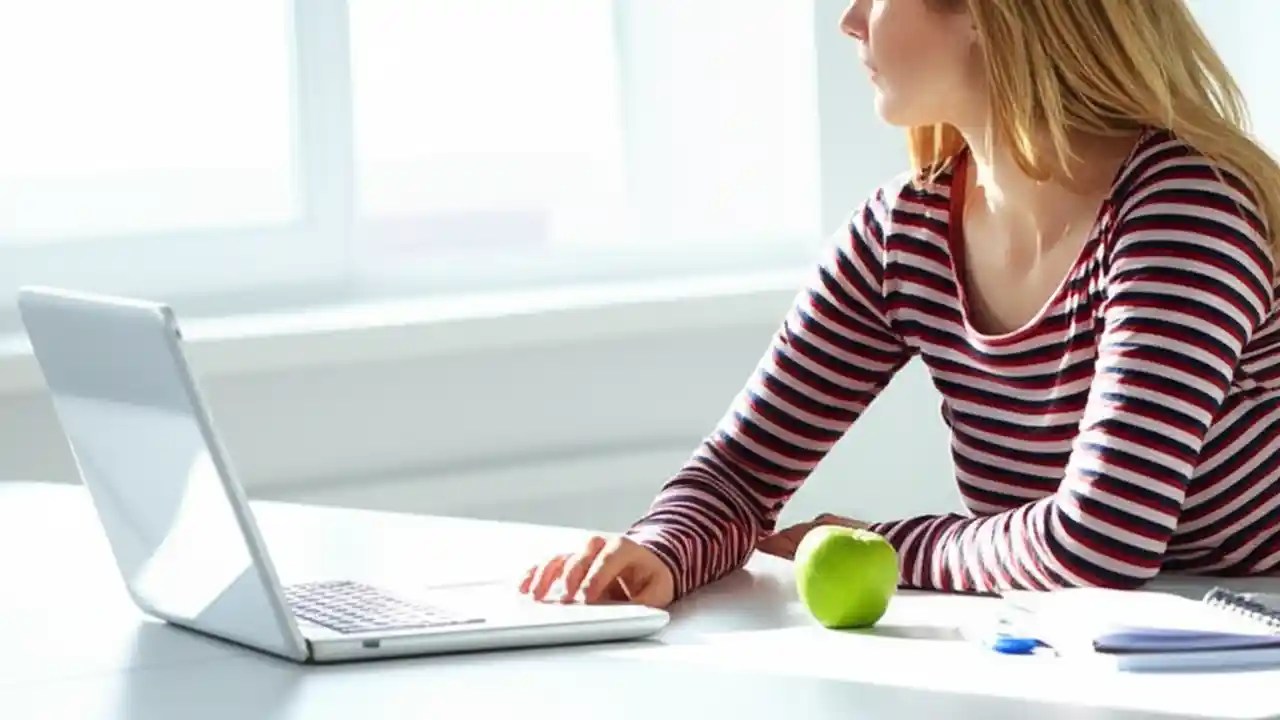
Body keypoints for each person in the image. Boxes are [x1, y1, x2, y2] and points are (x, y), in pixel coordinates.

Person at [519, 0, 1280, 609]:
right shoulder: (906, 233)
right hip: (1105, 647)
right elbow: (737, 478)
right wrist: (659, 550)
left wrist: (888, 550)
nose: (848, 21)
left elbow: (1103, 539)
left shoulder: (1184, 211)